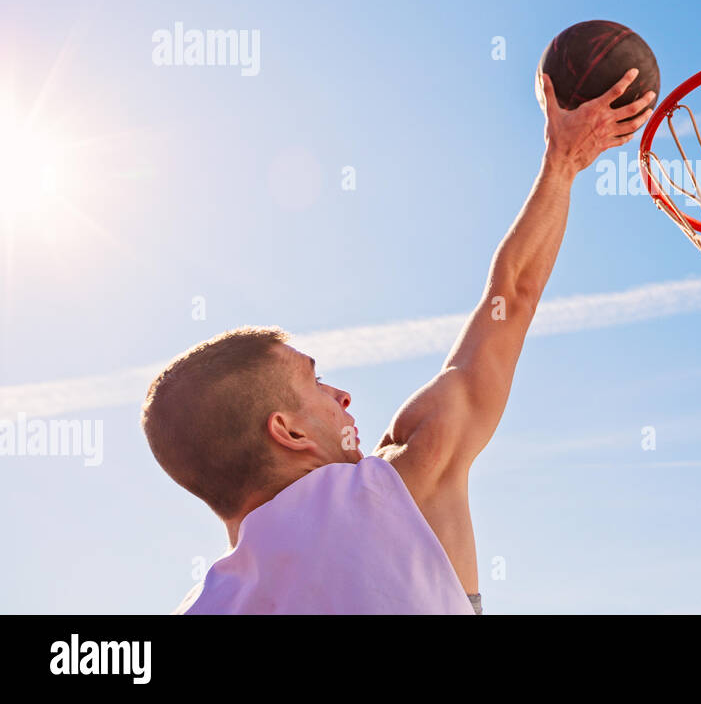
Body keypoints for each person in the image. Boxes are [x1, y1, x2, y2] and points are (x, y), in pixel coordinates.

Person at [141, 67, 655, 614]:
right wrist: (563, 162)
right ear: (286, 430)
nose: (342, 396)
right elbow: (513, 297)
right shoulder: (399, 484)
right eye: (314, 381)